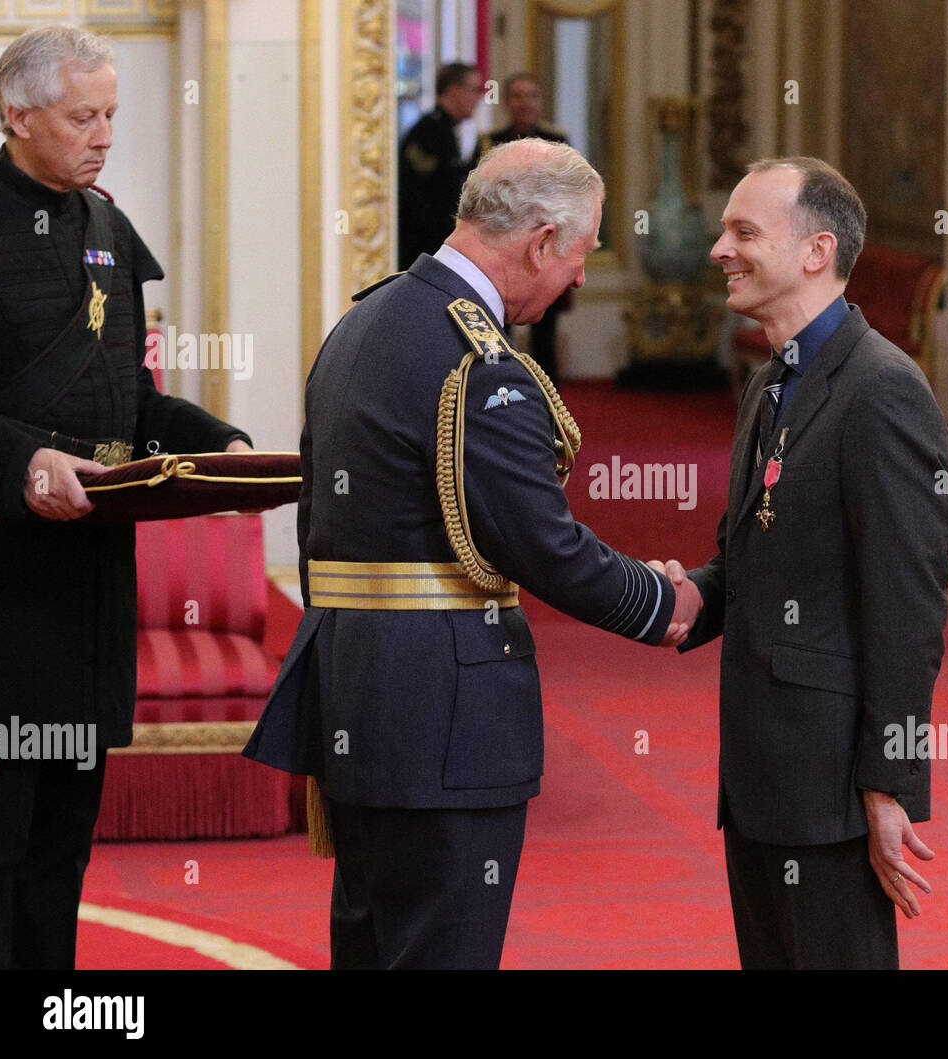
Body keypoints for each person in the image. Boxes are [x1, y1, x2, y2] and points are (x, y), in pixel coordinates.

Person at [243, 138, 701, 970]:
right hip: (445, 715)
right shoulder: (478, 360)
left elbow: (320, 524)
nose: (582, 279)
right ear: (538, 243)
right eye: (582, 253)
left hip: (352, 687)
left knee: (372, 944)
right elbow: (544, 545)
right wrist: (664, 604)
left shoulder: (362, 322)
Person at [0, 24, 252, 970]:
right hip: (3, 592)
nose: (104, 134)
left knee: (62, 846)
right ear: (16, 115)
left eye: (112, 113)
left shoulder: (107, 229)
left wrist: (217, 445)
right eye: (82, 116)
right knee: (1, 847)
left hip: (89, 588)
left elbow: (129, 403)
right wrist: (26, 464)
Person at [656, 157, 948, 969]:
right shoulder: (767, 384)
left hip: (831, 793)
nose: (720, 249)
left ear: (817, 250)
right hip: (760, 776)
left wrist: (890, 785)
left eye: (743, 232)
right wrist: (667, 598)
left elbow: (909, 607)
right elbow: (745, 560)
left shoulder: (883, 389)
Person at [475, 73, 571, 385]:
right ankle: (499, 391)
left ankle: (547, 402)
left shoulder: (558, 143)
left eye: (531, 95)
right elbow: (475, 197)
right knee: (500, 325)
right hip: (502, 249)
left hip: (545, 248)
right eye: (517, 95)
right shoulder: (489, 143)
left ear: (540, 102)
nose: (525, 103)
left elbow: (570, 197)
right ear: (507, 102)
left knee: (545, 331)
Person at [397, 61, 484, 269]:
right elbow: (426, 201)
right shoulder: (429, 132)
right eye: (473, 90)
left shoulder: (444, 130)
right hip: (424, 251)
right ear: (454, 90)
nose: (478, 98)